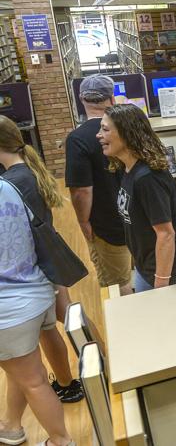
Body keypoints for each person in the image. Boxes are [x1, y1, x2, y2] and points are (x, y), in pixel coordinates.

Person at [0, 117, 86, 407]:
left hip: (34, 267)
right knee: (67, 320)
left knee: (60, 324)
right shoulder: (28, 171)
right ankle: (78, 379)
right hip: (46, 261)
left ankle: (71, 382)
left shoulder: (10, 184)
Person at [98, 104, 176, 292]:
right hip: (147, 269)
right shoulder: (127, 168)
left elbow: (166, 234)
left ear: (126, 133)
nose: (98, 135)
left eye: (105, 129)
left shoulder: (147, 178)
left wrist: (160, 286)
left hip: (170, 273)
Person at [65, 74, 132, 296]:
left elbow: (82, 189)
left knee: (118, 283)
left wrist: (83, 221)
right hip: (138, 216)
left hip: (107, 223)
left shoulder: (78, 138)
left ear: (82, 100)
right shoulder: (129, 127)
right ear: (111, 99)